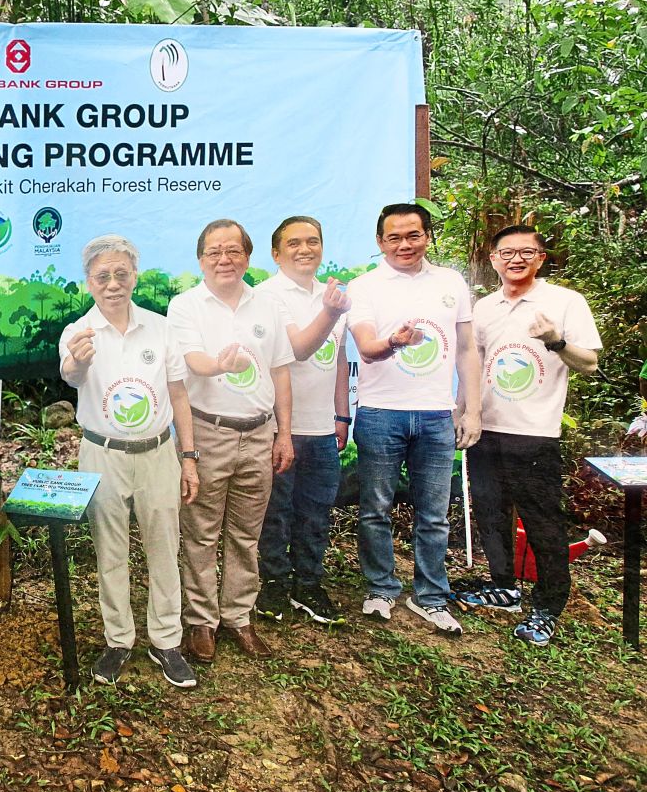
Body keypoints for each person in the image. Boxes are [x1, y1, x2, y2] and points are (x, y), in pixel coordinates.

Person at [59, 234, 200, 688]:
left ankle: (166, 642)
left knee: (164, 548)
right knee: (110, 552)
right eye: (103, 276)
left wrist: (189, 457)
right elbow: (71, 373)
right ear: (89, 283)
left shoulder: (160, 329)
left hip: (159, 452)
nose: (113, 284)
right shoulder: (78, 333)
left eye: (122, 274)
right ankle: (118, 640)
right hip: (102, 455)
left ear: (134, 276)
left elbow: (178, 393)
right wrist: (78, 362)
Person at [455, 225, 601, 646]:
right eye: (507, 252)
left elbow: (589, 364)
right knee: (490, 512)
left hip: (535, 432)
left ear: (540, 257)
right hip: (486, 428)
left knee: (542, 520)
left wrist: (555, 341)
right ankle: (504, 586)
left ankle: (548, 605)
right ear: (494, 259)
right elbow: (473, 367)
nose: (516, 259)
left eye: (526, 252)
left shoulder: (564, 302)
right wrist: (463, 412)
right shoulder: (484, 308)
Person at [346, 202, 481, 637]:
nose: (404, 245)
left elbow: (466, 349)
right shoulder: (365, 287)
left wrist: (470, 407)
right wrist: (393, 342)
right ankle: (381, 588)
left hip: (436, 414)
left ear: (427, 236)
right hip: (381, 412)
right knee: (375, 509)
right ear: (380, 241)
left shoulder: (451, 282)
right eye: (394, 237)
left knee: (435, 514)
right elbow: (366, 346)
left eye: (413, 235)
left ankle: (431, 596)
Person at [168, 219, 295, 662]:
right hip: (208, 432)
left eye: (233, 250)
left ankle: (239, 616)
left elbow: (280, 370)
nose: (224, 259)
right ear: (201, 259)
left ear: (247, 256)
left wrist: (284, 432)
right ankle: (201, 621)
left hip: (259, 434)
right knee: (201, 532)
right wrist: (219, 365)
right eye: (214, 252)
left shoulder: (268, 306)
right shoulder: (185, 306)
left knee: (246, 533)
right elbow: (192, 362)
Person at [254, 216, 352, 625]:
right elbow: (298, 350)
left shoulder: (332, 295)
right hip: (280, 428)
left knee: (316, 510)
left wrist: (342, 414)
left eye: (313, 241)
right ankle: (273, 583)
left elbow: (339, 359)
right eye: (293, 243)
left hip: (323, 427)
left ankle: (308, 584)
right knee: (276, 512)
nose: (304, 249)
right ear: (277, 253)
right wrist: (330, 313)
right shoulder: (267, 297)